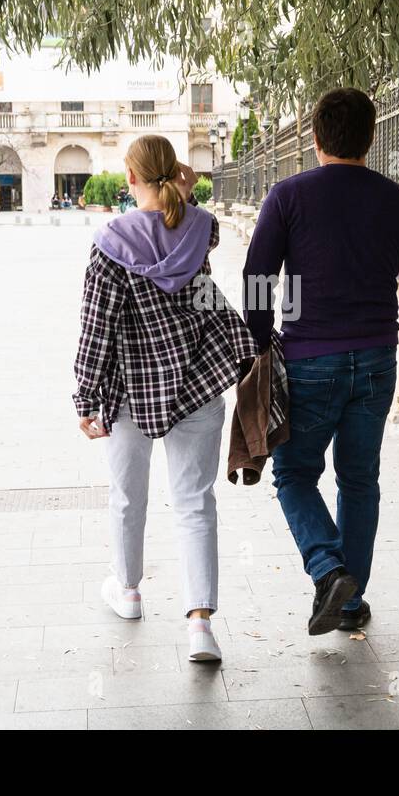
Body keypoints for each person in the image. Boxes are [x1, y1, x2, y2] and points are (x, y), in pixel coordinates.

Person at [242, 87, 399, 636]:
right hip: (378, 361)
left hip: (310, 358)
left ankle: (328, 570)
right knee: (359, 480)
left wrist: (258, 348)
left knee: (293, 472)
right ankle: (350, 600)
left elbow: (259, 280)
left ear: (315, 140)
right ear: (370, 137)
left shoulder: (287, 196)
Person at [74, 135, 257, 662]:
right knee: (195, 502)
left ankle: (128, 591)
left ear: (130, 178)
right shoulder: (201, 230)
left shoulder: (110, 242)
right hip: (196, 385)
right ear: (172, 172)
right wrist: (183, 182)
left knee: (128, 495)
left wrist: (86, 396)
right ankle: (200, 624)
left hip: (131, 390)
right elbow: (188, 203)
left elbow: (97, 329)